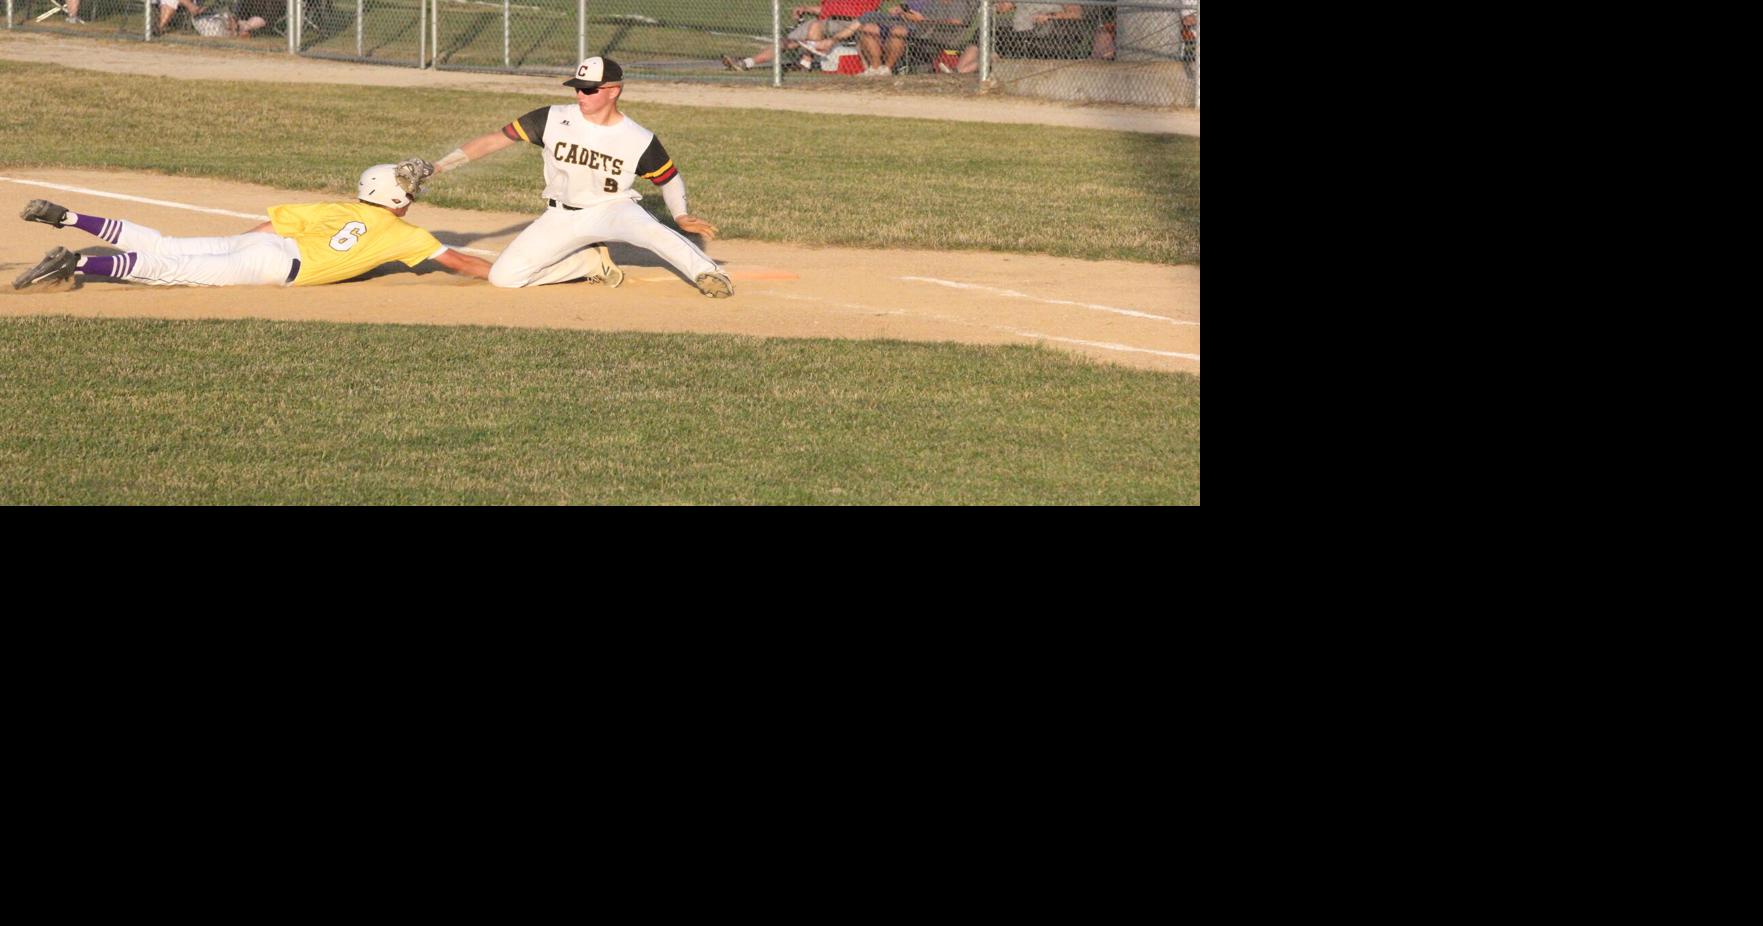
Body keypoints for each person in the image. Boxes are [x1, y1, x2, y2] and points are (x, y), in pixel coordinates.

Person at [425, 56, 733, 297]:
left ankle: (709, 274)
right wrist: (440, 165)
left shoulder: (638, 138)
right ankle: (588, 262)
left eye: (589, 89)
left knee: (654, 232)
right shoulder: (552, 118)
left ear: (613, 91)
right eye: (577, 87)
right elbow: (494, 140)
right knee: (504, 278)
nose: (580, 94)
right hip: (559, 215)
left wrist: (680, 214)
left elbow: (669, 178)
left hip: (613, 209)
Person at [11, 164, 513, 290]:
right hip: (275, 264)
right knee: (170, 269)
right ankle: (78, 260)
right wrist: (502, 275)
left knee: (168, 246)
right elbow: (460, 261)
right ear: (398, 200)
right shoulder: (405, 235)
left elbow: (270, 224)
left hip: (263, 242)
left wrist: (233, 244)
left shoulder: (338, 206)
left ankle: (71, 218)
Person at [828, 1, 976, 77]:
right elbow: (914, 9)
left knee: (898, 30)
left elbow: (958, 22)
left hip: (925, 33)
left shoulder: (963, 3)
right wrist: (902, 10)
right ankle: (875, 69)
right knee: (869, 25)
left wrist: (922, 20)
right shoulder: (932, 2)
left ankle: (886, 69)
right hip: (912, 24)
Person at [722, 2, 880, 72]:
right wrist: (806, 8)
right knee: (786, 41)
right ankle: (746, 63)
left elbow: (860, 13)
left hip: (850, 24)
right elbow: (827, 8)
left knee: (815, 26)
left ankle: (806, 63)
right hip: (825, 21)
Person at [994, 3, 1086, 59]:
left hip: (1043, 36)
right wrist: (1000, 5)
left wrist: (1049, 16)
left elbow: (1076, 14)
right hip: (1018, 34)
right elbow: (1005, 7)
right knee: (983, 33)